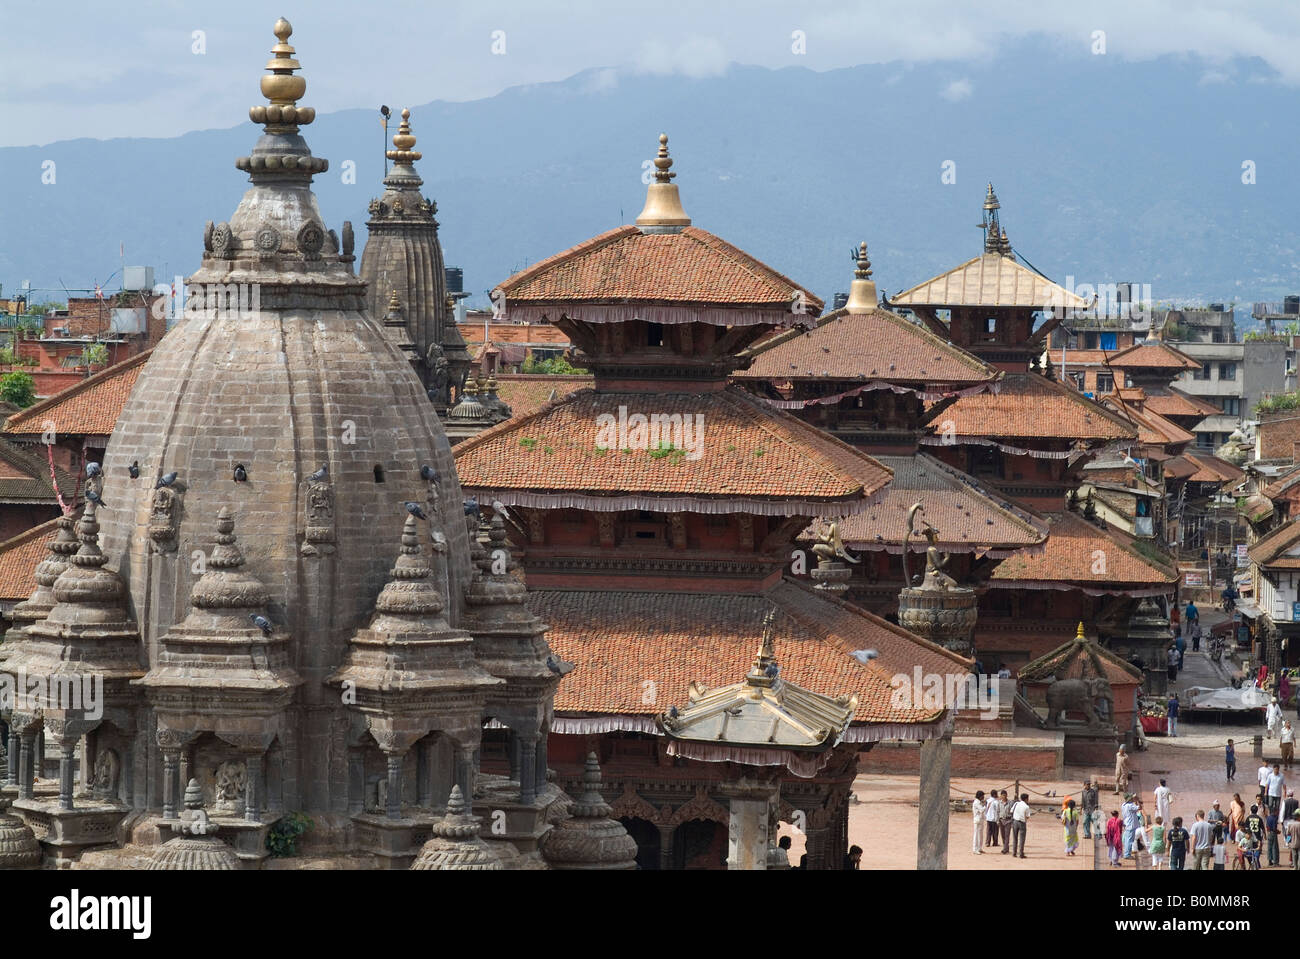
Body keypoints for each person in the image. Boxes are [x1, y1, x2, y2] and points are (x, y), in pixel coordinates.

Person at [1010, 792, 1032, 858]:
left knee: (1015, 838)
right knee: (1022, 839)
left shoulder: (1016, 803)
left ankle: (1014, 852)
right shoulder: (1026, 806)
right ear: (1026, 799)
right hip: (1022, 823)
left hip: (1015, 821)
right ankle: (1021, 853)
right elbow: (1028, 816)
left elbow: (1011, 811)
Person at [1120, 794, 1140, 858]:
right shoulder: (1130, 805)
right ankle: (1127, 854)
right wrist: (1137, 800)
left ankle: (1126, 852)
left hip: (1126, 823)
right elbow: (1139, 807)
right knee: (1130, 840)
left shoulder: (1123, 805)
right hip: (1131, 824)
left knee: (1126, 839)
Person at [972, 790, 985, 855]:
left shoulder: (979, 802)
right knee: (976, 835)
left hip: (981, 820)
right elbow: (981, 810)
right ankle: (975, 849)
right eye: (982, 796)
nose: (983, 797)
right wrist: (985, 805)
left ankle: (979, 848)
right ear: (979, 796)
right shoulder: (976, 802)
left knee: (980, 835)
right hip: (977, 820)